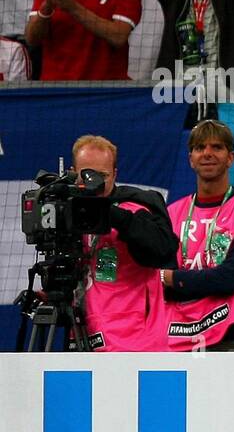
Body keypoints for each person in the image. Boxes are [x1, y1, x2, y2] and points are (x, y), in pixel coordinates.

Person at [163, 120, 234, 351]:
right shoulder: (171, 213)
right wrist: (228, 276)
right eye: (200, 147)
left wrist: (173, 277)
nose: (207, 153)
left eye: (217, 147)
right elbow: (159, 284)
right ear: (190, 158)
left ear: (231, 158)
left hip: (231, 334)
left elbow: (229, 279)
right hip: (177, 336)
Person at [71, 134, 179, 351]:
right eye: (86, 175)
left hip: (135, 342)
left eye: (102, 175)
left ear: (115, 174)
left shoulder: (136, 207)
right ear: (73, 173)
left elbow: (163, 249)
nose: (94, 183)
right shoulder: (69, 210)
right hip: (86, 334)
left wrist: (111, 215)